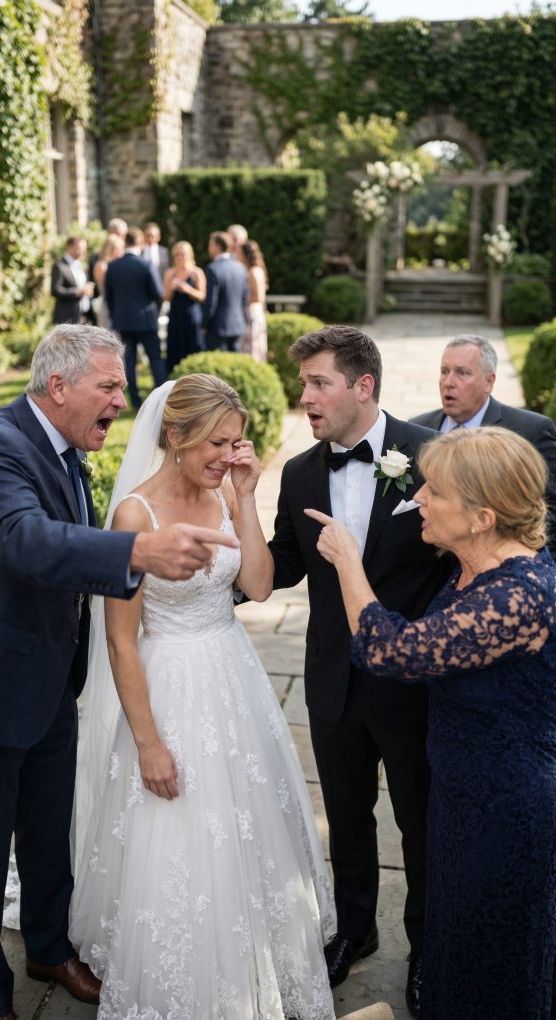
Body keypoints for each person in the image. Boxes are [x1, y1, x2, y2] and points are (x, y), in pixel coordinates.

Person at [0, 325, 241, 1020]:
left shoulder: (69, 450)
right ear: (57, 386)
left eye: (122, 388)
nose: (122, 402)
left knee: (50, 830)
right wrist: (135, 552)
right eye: (108, 387)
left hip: (52, 681)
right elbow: (20, 538)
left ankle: (49, 947)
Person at [69, 374, 336, 1020]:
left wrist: (244, 497)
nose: (228, 455)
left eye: (236, 442)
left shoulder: (223, 493)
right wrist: (149, 743)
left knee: (248, 821)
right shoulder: (136, 515)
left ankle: (252, 958)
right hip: (168, 685)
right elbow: (121, 641)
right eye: (217, 443)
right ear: (176, 436)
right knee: (177, 829)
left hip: (233, 676)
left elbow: (259, 585)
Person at [307, 426, 556, 1020]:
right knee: (455, 939)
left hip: (506, 808)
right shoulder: (476, 566)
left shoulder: (519, 596)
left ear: (482, 518)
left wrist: (348, 560)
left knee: (492, 959)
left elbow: (391, 650)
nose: (418, 497)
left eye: (435, 491)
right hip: (461, 795)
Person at [268, 325, 452, 1016]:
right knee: (345, 817)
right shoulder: (298, 473)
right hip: (333, 680)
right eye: (304, 384)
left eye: (319, 383)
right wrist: (220, 563)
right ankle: (354, 929)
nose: (306, 397)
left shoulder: (432, 456)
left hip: (412, 683)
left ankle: (427, 947)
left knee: (420, 823)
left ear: (363, 385)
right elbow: (284, 561)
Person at [410, 333, 556, 555]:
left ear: (489, 382)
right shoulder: (417, 427)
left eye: (462, 373)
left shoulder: (530, 430)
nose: (449, 382)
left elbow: (550, 514)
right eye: (444, 371)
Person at [105, 227, 166, 408]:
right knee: (155, 359)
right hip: (146, 319)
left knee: (129, 362)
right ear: (140, 242)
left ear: (125, 242)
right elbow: (158, 292)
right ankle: (161, 398)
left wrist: (116, 315)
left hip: (123, 321)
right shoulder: (146, 264)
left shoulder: (113, 266)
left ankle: (135, 401)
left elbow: (109, 297)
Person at [163, 240, 206, 374]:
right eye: (176, 254)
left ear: (189, 255)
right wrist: (171, 288)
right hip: (175, 314)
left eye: (182, 254)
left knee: (193, 345)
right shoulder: (170, 273)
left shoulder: (196, 272)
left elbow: (202, 295)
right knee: (175, 346)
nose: (179, 257)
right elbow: (165, 297)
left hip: (191, 314)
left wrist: (188, 289)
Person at [203, 231, 248, 352]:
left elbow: (211, 301)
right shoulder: (241, 268)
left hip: (218, 328)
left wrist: (204, 324)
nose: (208, 248)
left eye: (210, 244)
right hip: (237, 325)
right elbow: (244, 299)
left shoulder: (213, 268)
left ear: (217, 246)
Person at [51, 236, 94, 325]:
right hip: (67, 317)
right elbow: (55, 290)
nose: (82, 252)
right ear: (69, 247)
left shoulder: (82, 266)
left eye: (84, 249)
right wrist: (77, 291)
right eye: (79, 248)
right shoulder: (60, 266)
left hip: (83, 317)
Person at [238, 239, 268, 362]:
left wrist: (241, 299)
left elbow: (259, 297)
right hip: (253, 312)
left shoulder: (253, 272)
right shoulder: (255, 270)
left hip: (251, 314)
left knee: (253, 349)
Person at [92, 234, 125, 327]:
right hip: (107, 304)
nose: (122, 252)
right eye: (121, 249)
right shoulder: (102, 265)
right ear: (114, 250)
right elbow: (105, 288)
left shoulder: (114, 265)